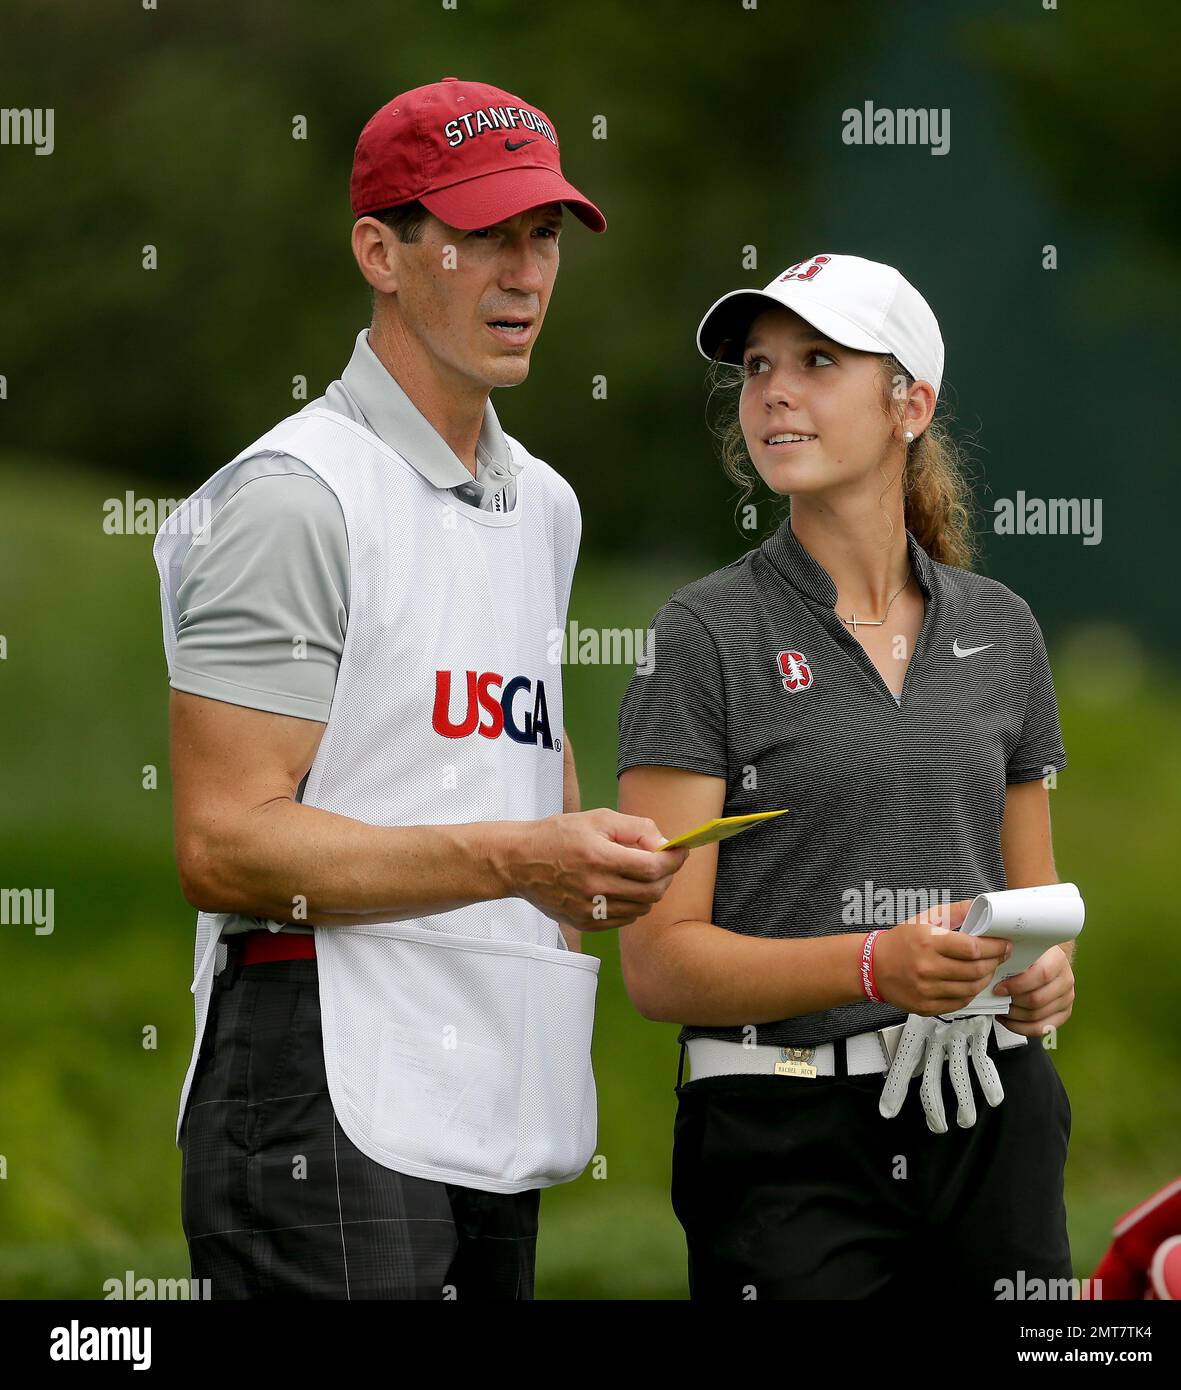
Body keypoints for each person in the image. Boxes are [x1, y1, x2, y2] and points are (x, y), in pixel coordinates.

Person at [152, 77, 686, 1301]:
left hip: (489, 1077)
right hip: (315, 1077)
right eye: (480, 233)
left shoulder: (542, 504)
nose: (523, 272)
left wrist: (592, 875)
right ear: (379, 252)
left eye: (541, 233)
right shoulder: (293, 496)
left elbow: (518, 776)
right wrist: (517, 857)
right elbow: (224, 843)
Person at [615, 252, 1077, 1299]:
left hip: (988, 1116)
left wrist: (1037, 983)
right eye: (756, 366)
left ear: (908, 403)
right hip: (783, 1140)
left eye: (817, 360)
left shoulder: (1001, 628)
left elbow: (1029, 907)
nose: (772, 389)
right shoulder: (701, 633)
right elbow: (660, 966)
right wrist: (873, 965)